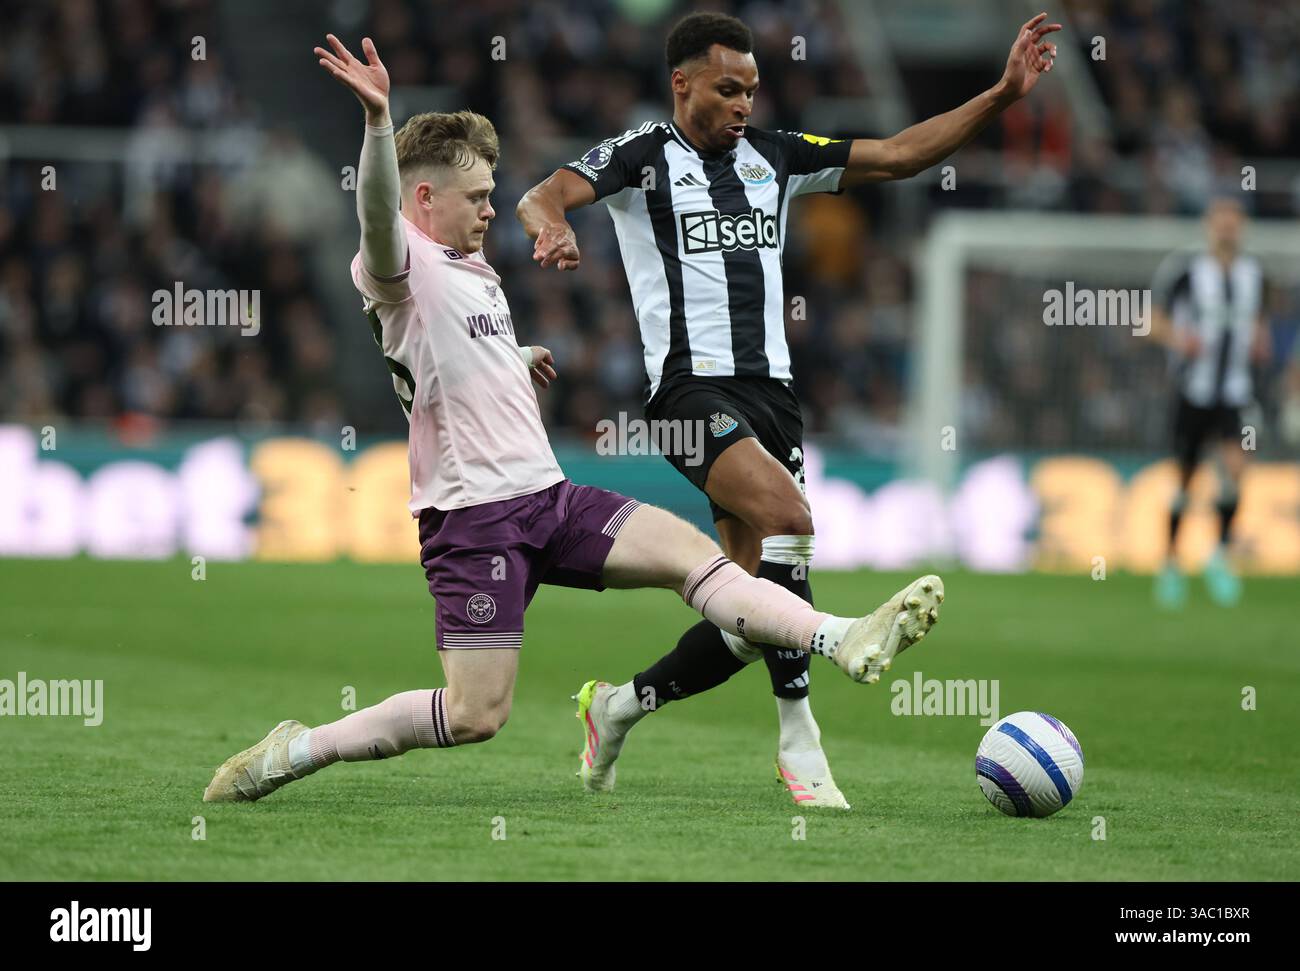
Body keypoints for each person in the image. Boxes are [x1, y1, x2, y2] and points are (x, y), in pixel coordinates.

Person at [201, 34, 943, 804]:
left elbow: (442, 360)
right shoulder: (398, 265)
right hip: (475, 522)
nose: (493, 208)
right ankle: (299, 748)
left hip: (550, 499)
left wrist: (513, 358)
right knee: (474, 712)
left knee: (697, 558)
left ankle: (841, 635)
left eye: (494, 193)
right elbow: (380, 222)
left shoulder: (469, 270)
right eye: (477, 196)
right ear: (424, 199)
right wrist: (380, 121)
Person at [516, 11, 1057, 806]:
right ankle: (801, 737)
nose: (743, 104)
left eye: (752, 90)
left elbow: (904, 153)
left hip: (774, 397)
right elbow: (542, 194)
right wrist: (552, 227)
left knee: (747, 611)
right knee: (791, 516)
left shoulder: (775, 156)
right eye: (728, 88)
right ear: (683, 83)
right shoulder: (640, 157)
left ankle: (617, 705)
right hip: (684, 393)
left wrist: (1004, 95)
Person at [1150, 197, 1270, 608]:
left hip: (1236, 393)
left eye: (1234, 220)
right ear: (1208, 224)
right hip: (1193, 392)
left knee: (1237, 470)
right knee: (1185, 480)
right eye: (1220, 219)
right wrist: (1179, 340)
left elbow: (1259, 322)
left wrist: (1260, 339)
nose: (1227, 227)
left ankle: (1218, 555)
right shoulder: (1186, 270)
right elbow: (1153, 321)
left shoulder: (1255, 274)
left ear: (1242, 226)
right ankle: (1170, 562)